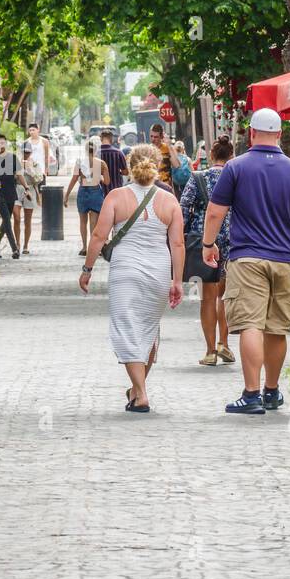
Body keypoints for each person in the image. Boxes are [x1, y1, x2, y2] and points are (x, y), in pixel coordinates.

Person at [201, 108, 290, 415]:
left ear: (251, 133)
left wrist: (208, 244)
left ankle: (251, 395)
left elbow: (216, 211)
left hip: (248, 258)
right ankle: (272, 390)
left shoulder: (236, 168)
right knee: (277, 328)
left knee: (251, 325)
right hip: (285, 259)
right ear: (280, 134)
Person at [80, 144, 185, 413]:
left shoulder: (116, 197)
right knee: (148, 331)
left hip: (125, 272)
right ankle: (138, 390)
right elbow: (178, 245)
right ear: (158, 165)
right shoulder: (170, 200)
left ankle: (141, 392)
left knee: (127, 328)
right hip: (159, 273)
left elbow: (98, 237)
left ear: (129, 165)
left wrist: (88, 269)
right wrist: (177, 281)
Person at [181, 137, 234, 366]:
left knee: (208, 298)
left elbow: (184, 208)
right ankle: (225, 344)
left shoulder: (197, 177)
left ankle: (211, 351)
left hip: (206, 242)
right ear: (231, 157)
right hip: (232, 242)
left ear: (211, 156)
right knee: (226, 296)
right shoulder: (237, 176)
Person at [64, 137, 111, 256]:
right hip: (95, 192)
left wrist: (66, 195)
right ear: (95, 150)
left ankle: (84, 247)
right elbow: (107, 182)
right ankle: (93, 247)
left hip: (83, 192)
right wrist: (99, 177)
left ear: (85, 150)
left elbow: (74, 179)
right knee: (94, 223)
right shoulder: (101, 163)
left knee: (82, 221)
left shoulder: (79, 162)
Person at [16, 139, 44, 255]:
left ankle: (26, 245)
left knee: (28, 220)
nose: (26, 154)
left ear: (31, 153)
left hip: (30, 190)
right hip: (17, 189)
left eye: (28, 152)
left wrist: (30, 169)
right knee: (16, 218)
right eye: (24, 152)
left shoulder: (35, 163)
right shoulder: (16, 162)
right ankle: (16, 244)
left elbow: (39, 179)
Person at [97, 128, 128, 195]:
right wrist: (116, 172)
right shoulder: (119, 153)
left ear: (101, 139)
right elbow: (125, 172)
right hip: (116, 190)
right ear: (111, 139)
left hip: (100, 191)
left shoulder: (95, 154)